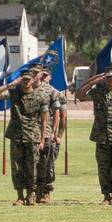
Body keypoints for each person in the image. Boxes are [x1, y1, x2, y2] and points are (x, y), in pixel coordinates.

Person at [77, 62, 112, 204]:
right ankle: (106, 196)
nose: (110, 80)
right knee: (103, 167)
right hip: (101, 135)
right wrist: (95, 81)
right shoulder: (98, 92)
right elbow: (80, 95)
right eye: (108, 77)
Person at [0, 67, 47, 206]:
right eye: (23, 80)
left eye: (28, 80)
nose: (26, 82)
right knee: (17, 167)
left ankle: (31, 195)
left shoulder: (40, 97)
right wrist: (11, 84)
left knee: (32, 166)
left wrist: (42, 139)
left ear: (33, 80)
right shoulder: (14, 93)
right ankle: (19, 196)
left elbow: (44, 120)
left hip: (32, 136)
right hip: (16, 135)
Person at [35, 66, 67, 204]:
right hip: (32, 133)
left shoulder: (55, 93)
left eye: (45, 75)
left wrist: (58, 135)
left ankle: (46, 192)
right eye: (40, 75)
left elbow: (62, 116)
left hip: (48, 133)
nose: (42, 78)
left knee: (48, 165)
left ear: (49, 77)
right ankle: (35, 192)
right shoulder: (31, 92)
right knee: (33, 164)